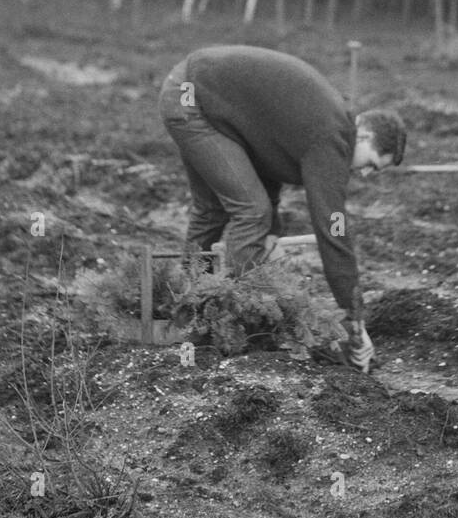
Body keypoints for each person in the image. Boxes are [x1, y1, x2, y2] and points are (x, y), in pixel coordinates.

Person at [158, 45, 406, 372]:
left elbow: (265, 161)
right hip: (193, 101)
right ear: (366, 133)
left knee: (213, 210)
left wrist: (272, 235)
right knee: (251, 211)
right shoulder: (334, 138)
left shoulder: (326, 126)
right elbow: (333, 232)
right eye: (372, 164)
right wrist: (356, 318)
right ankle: (235, 323)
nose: (365, 174)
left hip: (192, 91)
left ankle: (190, 313)